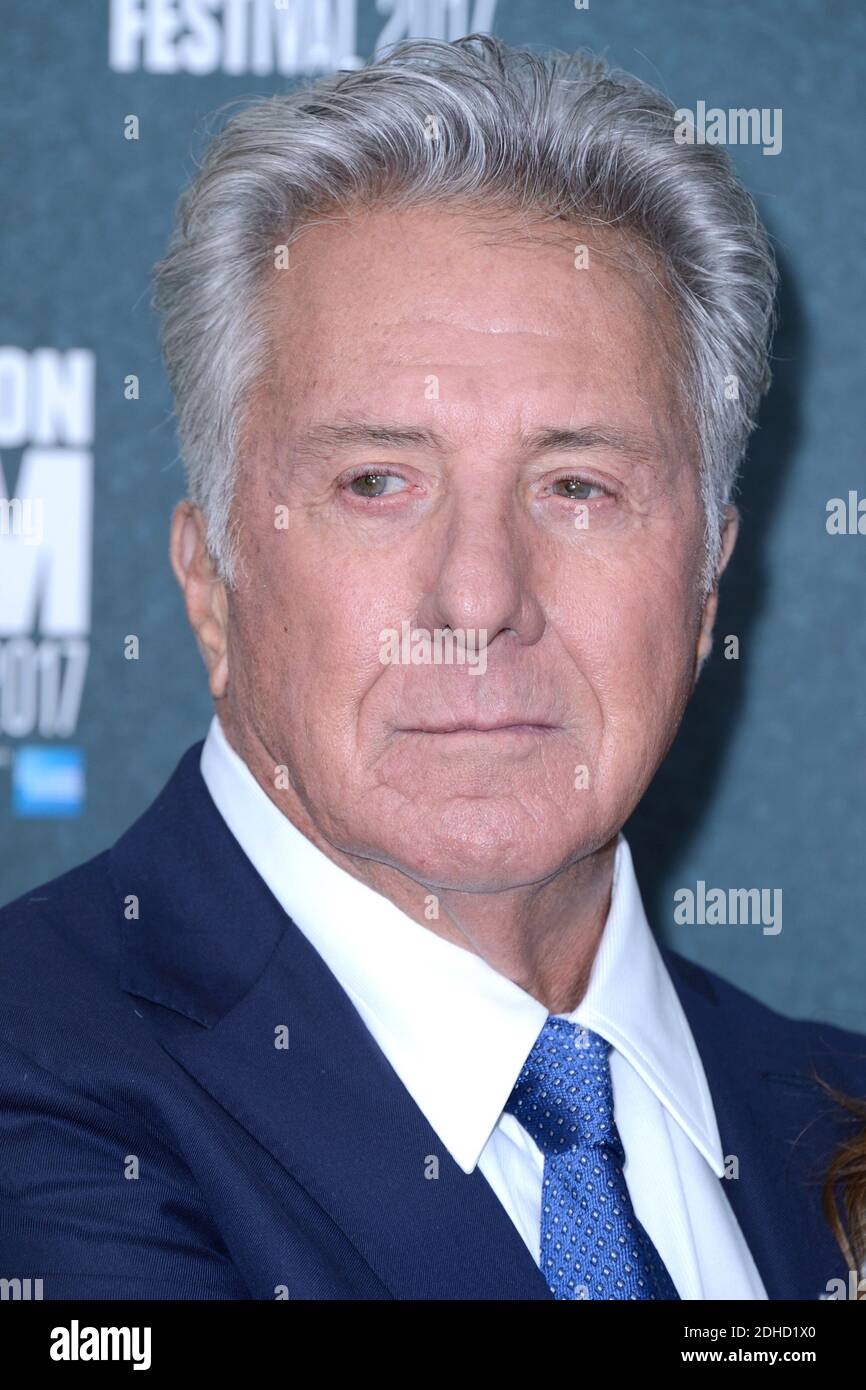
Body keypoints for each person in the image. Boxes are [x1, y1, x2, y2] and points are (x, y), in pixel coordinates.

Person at [1, 33, 864, 1301]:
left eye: (577, 486)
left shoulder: (831, 1120)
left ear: (702, 588)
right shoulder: (35, 1081)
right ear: (212, 582)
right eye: (375, 483)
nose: (478, 598)